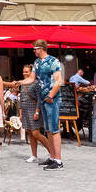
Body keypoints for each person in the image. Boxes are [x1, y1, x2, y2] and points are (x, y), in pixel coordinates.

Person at [32, 40, 64, 170]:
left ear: (41, 48)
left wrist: (51, 95)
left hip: (52, 99)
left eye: (35, 48)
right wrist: (18, 82)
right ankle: (52, 157)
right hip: (43, 99)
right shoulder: (36, 62)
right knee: (49, 130)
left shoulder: (53, 61)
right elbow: (31, 79)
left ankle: (58, 161)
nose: (34, 51)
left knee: (54, 129)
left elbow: (58, 80)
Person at [11, 63, 43, 163]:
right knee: (30, 134)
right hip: (25, 111)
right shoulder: (23, 83)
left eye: (27, 72)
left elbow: (39, 99)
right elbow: (22, 99)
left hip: (34, 110)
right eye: (23, 71)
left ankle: (52, 153)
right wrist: (20, 113)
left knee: (36, 133)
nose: (24, 73)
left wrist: (37, 112)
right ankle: (34, 155)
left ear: (32, 72)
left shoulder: (36, 83)